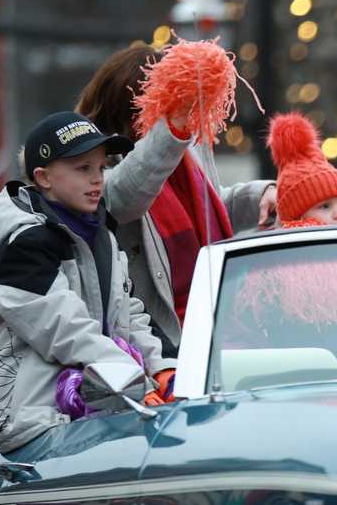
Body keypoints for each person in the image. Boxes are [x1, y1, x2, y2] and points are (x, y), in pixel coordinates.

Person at [0, 112, 175, 454]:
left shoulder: (101, 233)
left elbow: (129, 316)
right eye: (83, 168)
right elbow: (64, 330)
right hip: (32, 423)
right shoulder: (24, 242)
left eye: (101, 167)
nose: (97, 179)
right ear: (44, 177)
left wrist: (165, 368)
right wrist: (137, 381)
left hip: (95, 408)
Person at [76, 41, 275, 359]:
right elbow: (123, 197)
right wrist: (173, 128)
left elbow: (208, 213)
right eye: (164, 98)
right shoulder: (99, 164)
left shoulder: (183, 150)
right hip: (162, 341)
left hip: (220, 320)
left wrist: (261, 195)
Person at [229, 113, 337, 359]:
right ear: (298, 216)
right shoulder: (274, 266)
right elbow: (251, 318)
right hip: (293, 364)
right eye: (325, 207)